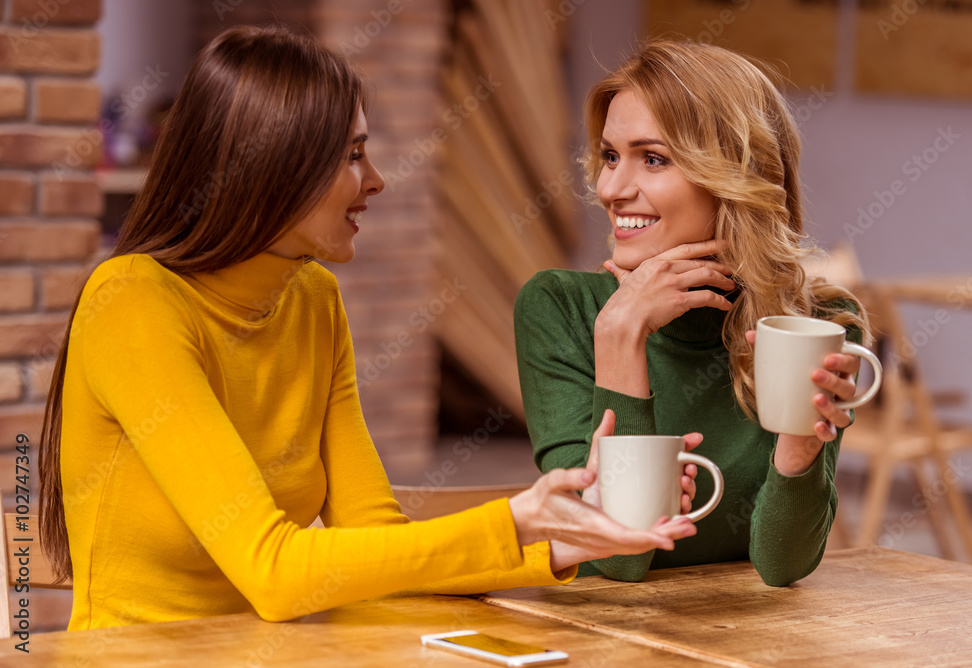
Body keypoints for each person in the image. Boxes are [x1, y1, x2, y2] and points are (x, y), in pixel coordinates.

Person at [37, 26, 698, 630]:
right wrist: (513, 521)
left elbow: (372, 531)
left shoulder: (313, 300)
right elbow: (274, 571)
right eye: (353, 155)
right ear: (276, 167)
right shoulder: (131, 302)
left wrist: (554, 544)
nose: (376, 181)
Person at [514, 40, 871, 586]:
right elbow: (617, 560)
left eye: (652, 159)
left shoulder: (815, 322)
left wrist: (802, 439)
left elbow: (782, 567)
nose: (610, 188)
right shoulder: (558, 308)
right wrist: (621, 333)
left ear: (732, 176)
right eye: (610, 156)